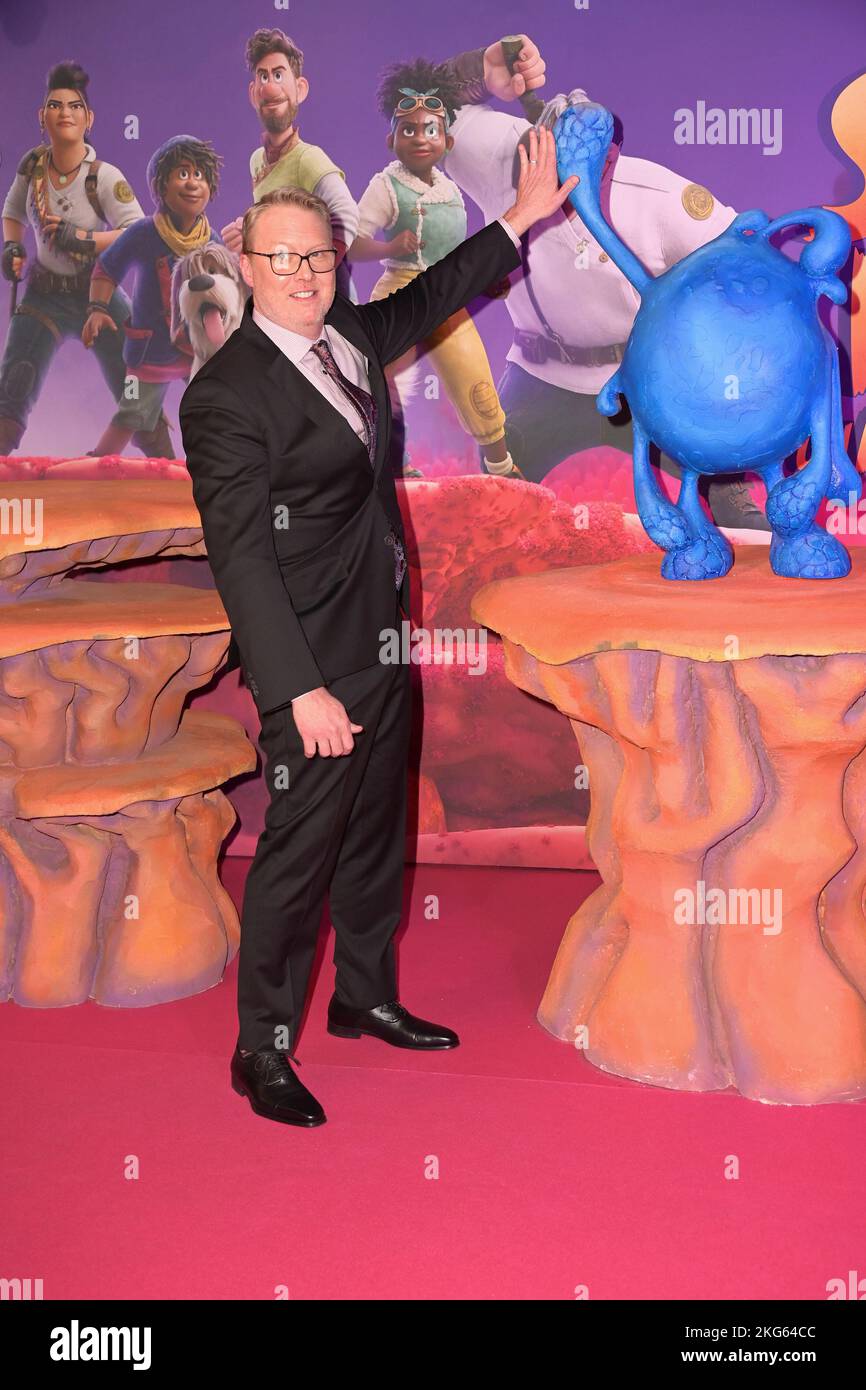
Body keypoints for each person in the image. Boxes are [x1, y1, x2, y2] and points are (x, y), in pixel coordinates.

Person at [179, 129, 578, 1127]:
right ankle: (259, 1047)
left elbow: (435, 295)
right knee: (298, 852)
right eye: (280, 257)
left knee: (371, 832)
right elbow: (242, 556)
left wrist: (518, 221)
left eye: (316, 255)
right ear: (246, 266)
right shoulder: (225, 396)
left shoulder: (349, 336)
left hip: (381, 636)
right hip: (308, 659)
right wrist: (294, 687)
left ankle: (363, 994)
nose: (301, 272)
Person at [437, 34, 769, 529]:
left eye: (599, 161)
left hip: (643, 379)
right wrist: (481, 69)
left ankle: (768, 595)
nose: (583, 178)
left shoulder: (656, 193)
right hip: (540, 376)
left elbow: (744, 258)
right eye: (565, 162)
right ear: (535, 149)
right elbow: (416, 102)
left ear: (614, 155)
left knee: (734, 507)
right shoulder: (496, 158)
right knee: (484, 516)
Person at [350, 56, 520, 479]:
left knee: (474, 376)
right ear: (391, 139)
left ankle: (500, 465)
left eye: (431, 130)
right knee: (382, 377)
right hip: (399, 291)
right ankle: (391, 463)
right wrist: (390, 245)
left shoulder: (451, 189)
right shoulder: (385, 185)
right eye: (409, 130)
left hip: (446, 294)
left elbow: (456, 252)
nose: (421, 139)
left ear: (448, 141)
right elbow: (350, 243)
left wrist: (485, 279)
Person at [0, 60, 162, 456]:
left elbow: (138, 232)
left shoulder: (105, 177)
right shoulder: (32, 168)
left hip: (98, 296)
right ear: (42, 116)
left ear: (88, 117)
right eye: (55, 105)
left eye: (74, 106)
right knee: (13, 387)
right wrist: (12, 248)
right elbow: (12, 212)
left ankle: (173, 481)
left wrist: (85, 238)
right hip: (42, 294)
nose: (64, 113)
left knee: (137, 385)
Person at [83, 136, 223, 457]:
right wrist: (97, 308)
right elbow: (107, 267)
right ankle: (98, 465)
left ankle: (223, 470)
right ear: (161, 185)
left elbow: (228, 291)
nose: (193, 183)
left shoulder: (212, 241)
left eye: (200, 175)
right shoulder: (144, 233)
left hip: (199, 352)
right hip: (149, 353)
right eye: (183, 173)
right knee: (131, 410)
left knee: (220, 407)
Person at [219, 27, 360, 303]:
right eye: (263, 76)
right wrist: (247, 231)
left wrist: (316, 268)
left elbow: (346, 214)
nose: (271, 85)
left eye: (279, 74)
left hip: (328, 296)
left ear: (300, 88)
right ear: (253, 93)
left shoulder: (308, 158)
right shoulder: (257, 160)